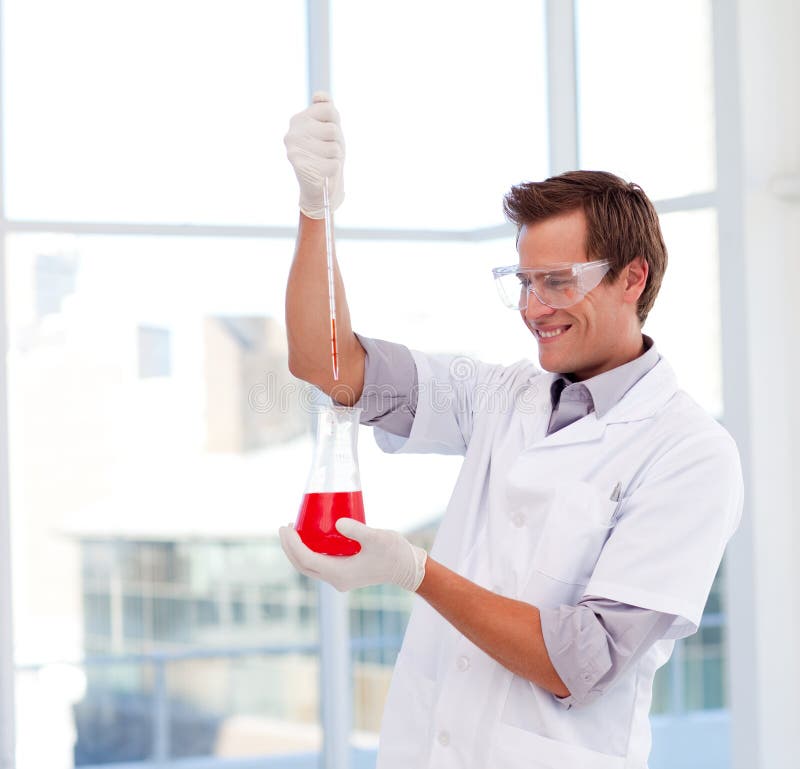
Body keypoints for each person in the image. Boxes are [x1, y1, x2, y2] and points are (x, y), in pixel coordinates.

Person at [279, 93, 743, 769]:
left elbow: (580, 660)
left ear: (632, 278)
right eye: (523, 281)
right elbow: (326, 363)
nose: (533, 308)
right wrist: (316, 211)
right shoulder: (500, 394)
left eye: (556, 282)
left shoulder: (691, 454)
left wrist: (414, 570)